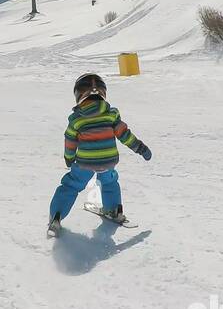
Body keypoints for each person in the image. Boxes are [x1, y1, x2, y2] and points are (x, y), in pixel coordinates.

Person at [48, 73, 151, 232]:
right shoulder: (111, 114)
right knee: (110, 182)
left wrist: (69, 159)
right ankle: (114, 210)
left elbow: (70, 140)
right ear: (103, 93)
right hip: (108, 162)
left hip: (84, 164)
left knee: (71, 186)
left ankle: (56, 216)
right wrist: (140, 147)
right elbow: (124, 135)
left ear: (78, 95)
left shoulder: (77, 119)